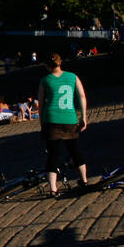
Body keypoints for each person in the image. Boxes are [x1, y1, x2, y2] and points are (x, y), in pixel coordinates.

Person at [37, 53, 88, 195]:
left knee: (53, 155)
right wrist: (83, 116)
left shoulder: (45, 80)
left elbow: (40, 104)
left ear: (47, 66)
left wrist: (42, 123)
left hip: (51, 120)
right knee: (74, 151)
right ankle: (83, 180)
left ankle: (53, 188)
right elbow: (82, 96)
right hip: (69, 119)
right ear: (60, 63)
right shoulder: (73, 76)